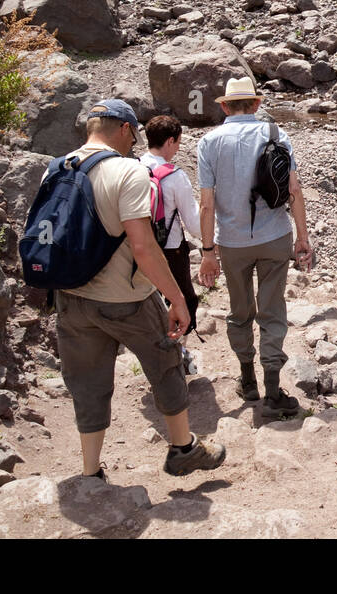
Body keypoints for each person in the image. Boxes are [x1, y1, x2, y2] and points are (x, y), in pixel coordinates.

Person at [54, 100, 225, 479]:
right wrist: (177, 298)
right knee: (165, 362)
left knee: (88, 381)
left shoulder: (59, 166)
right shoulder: (127, 172)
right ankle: (183, 449)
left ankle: (90, 470)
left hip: (70, 297)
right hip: (125, 297)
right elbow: (144, 247)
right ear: (127, 130)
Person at [196, 78, 313, 418]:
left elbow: (206, 203)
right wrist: (301, 237)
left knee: (239, 309)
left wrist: (207, 252)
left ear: (224, 106)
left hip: (231, 241)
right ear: (257, 104)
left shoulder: (209, 142)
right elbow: (294, 190)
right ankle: (274, 390)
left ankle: (247, 380)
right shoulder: (277, 135)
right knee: (272, 309)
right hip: (275, 235)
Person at [140, 115, 203, 374]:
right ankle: (178, 355)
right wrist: (211, 244)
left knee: (148, 302)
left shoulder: (131, 167)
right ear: (169, 141)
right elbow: (193, 223)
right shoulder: (175, 176)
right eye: (177, 142)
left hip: (138, 248)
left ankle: (152, 351)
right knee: (183, 301)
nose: (178, 148)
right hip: (172, 250)